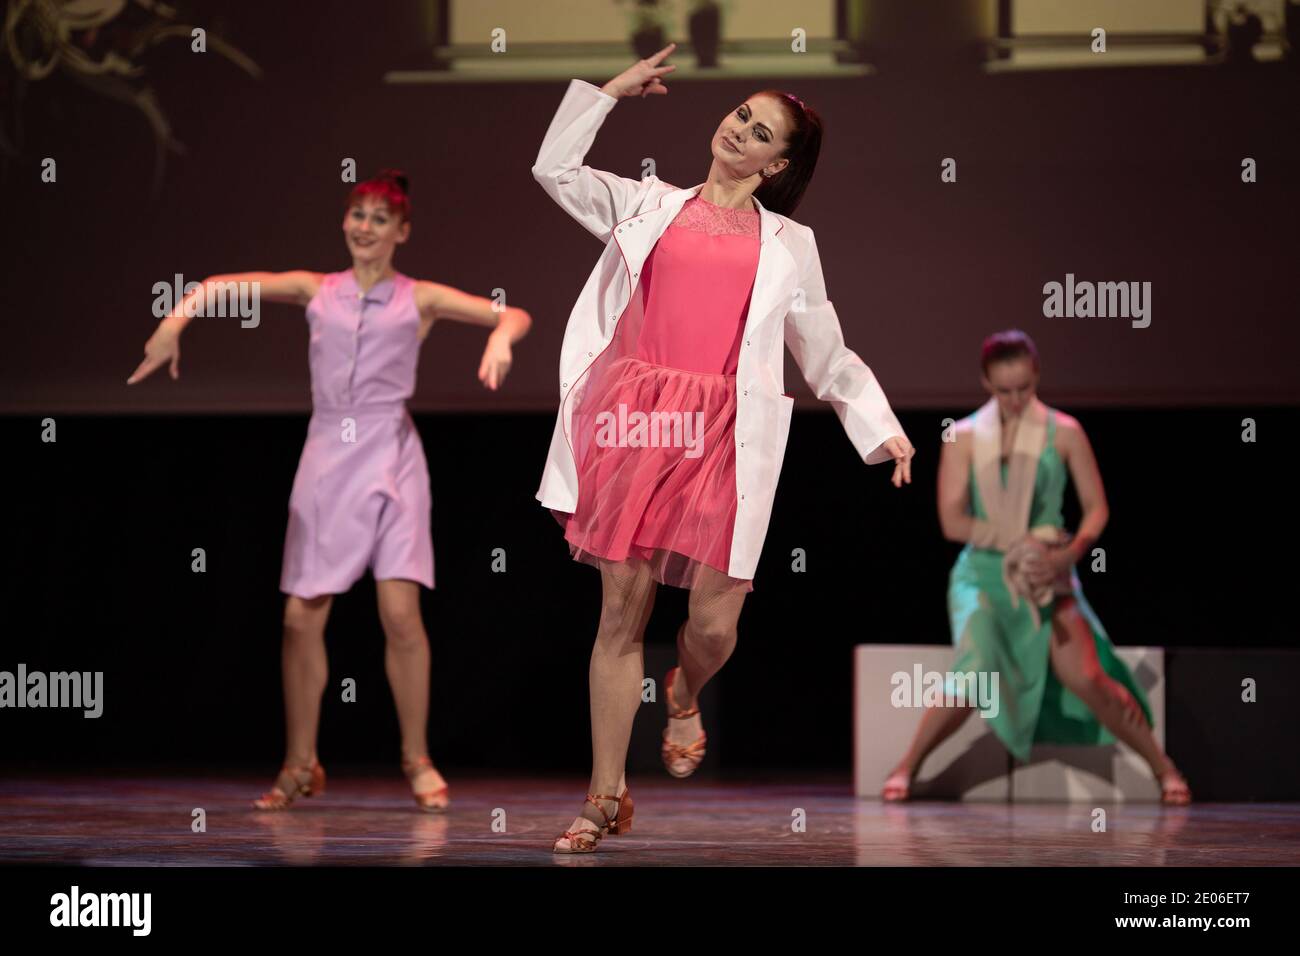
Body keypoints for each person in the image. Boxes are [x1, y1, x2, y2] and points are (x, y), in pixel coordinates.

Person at [533, 45, 915, 852]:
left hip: (723, 436)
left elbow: (825, 348)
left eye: (760, 132)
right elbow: (554, 168)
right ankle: (605, 795)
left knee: (710, 626)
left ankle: (683, 691)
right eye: (741, 114)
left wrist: (879, 425)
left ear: (779, 164)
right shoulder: (646, 204)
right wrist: (610, 93)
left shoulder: (790, 243)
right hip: (637, 424)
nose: (739, 130)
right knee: (619, 613)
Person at [127, 169, 532, 812]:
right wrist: (173, 324)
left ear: (402, 231)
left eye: (379, 218)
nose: (364, 227)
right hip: (328, 456)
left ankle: (416, 756)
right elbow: (215, 288)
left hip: (393, 455)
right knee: (298, 618)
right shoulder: (317, 290)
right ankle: (299, 761)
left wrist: (500, 339)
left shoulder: (418, 297)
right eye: (357, 214)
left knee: (400, 614)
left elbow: (513, 312)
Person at [880, 330, 1191, 805]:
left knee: (1086, 676)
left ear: (1036, 376)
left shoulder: (1063, 430)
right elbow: (952, 521)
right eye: (1004, 390)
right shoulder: (962, 436)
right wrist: (1020, 541)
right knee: (975, 671)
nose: (1016, 399)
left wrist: (1067, 555)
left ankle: (1162, 766)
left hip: (1048, 570)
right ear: (986, 381)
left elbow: (1096, 509)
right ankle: (908, 765)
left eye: (1023, 387)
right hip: (983, 574)